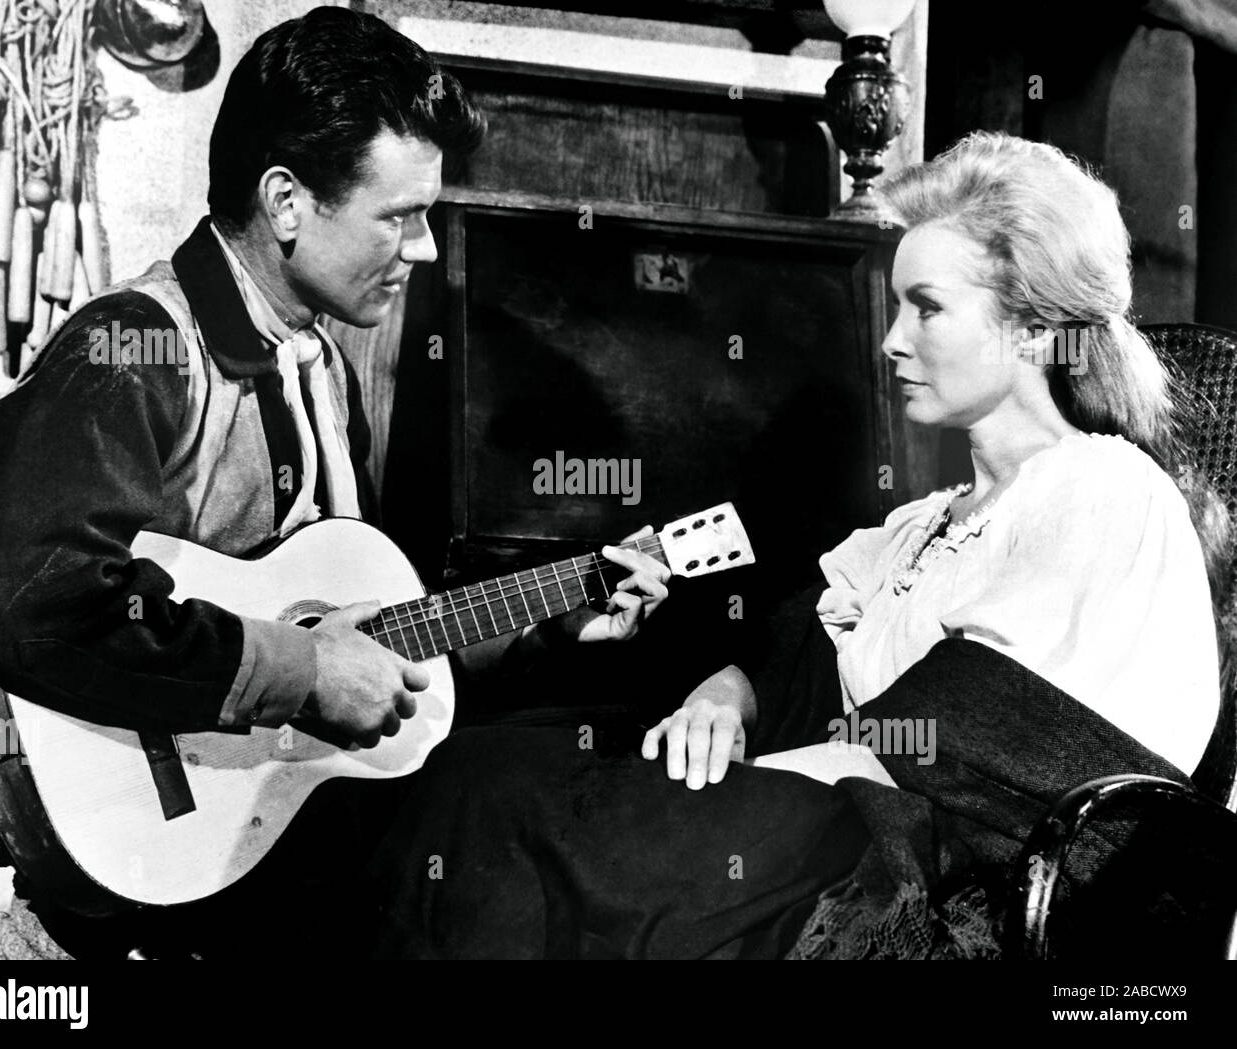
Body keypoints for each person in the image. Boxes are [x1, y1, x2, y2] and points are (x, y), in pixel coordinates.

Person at [358, 131, 1235, 959]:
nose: (892, 340)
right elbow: (806, 657)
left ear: (1037, 329)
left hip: (938, 882)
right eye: (895, 306)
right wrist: (732, 690)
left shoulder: (1099, 488)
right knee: (493, 758)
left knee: (497, 803)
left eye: (926, 308)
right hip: (843, 823)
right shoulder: (921, 524)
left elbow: (997, 746)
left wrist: (824, 746)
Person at [0, 7, 675, 959]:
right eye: (402, 216)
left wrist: (548, 621)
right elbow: (30, 606)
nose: (423, 249)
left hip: (270, 880)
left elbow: (361, 638)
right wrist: (298, 672)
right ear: (287, 202)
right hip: (124, 912)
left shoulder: (322, 370)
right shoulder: (134, 353)